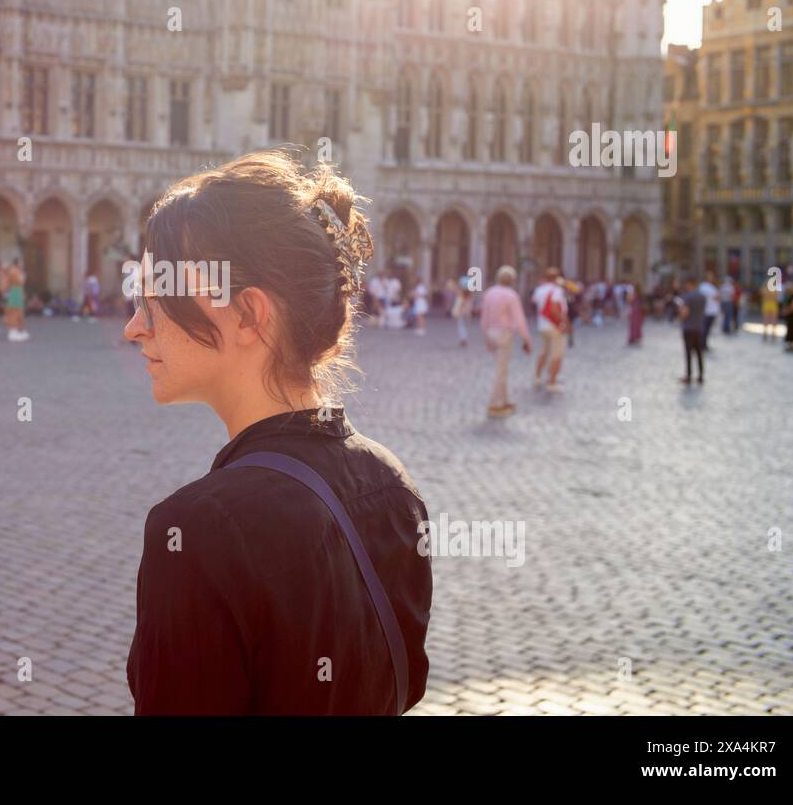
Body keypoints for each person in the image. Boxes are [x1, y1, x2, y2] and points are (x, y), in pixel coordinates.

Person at [123, 150, 431, 715]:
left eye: (156, 296)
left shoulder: (197, 530)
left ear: (246, 315)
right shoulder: (394, 488)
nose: (134, 326)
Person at [479, 265, 532, 418]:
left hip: (491, 332)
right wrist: (526, 339)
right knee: (501, 371)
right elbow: (519, 320)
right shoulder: (511, 295)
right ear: (512, 280)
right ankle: (494, 404)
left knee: (502, 368)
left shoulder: (489, 293)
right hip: (503, 333)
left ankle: (504, 400)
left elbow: (484, 317)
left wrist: (486, 337)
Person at [531, 267, 569, 392]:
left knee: (544, 352)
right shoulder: (556, 290)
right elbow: (553, 308)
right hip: (554, 325)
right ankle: (551, 381)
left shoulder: (539, 289)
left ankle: (537, 377)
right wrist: (564, 321)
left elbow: (535, 302)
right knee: (557, 354)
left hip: (542, 325)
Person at [675, 275, 707, 384]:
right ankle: (701, 375)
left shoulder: (687, 297)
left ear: (689, 284)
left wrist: (679, 312)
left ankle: (688, 375)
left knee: (688, 352)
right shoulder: (702, 296)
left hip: (688, 328)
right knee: (699, 352)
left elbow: (685, 313)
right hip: (699, 327)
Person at [3, 259, 27, 341]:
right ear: (17, 263)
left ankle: (15, 330)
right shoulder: (14, 271)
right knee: (14, 311)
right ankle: (13, 331)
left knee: (17, 311)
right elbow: (20, 281)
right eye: (21, 263)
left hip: (16, 291)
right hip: (15, 292)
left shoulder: (15, 270)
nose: (22, 264)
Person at [699, 270, 720, 351]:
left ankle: (704, 343)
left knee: (707, 329)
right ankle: (702, 344)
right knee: (704, 329)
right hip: (706, 311)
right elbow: (716, 297)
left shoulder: (712, 286)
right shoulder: (703, 286)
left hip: (712, 311)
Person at [451, 277, 473, 346]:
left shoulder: (461, 295)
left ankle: (463, 340)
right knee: (464, 326)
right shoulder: (469, 295)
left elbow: (460, 304)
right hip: (466, 313)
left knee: (461, 326)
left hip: (461, 313)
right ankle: (463, 339)